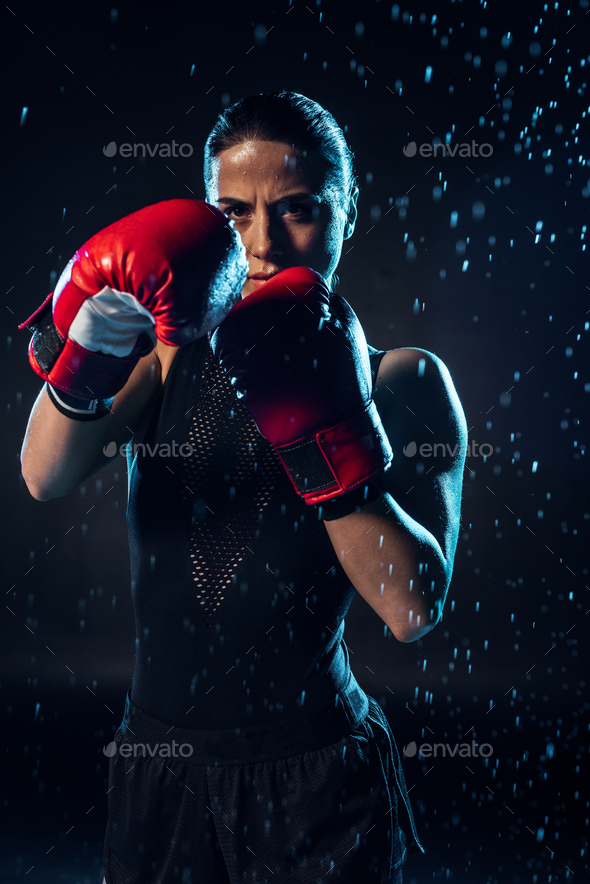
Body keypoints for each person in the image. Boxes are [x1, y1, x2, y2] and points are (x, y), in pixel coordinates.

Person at [20, 91, 467, 884]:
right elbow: (43, 476)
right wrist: (89, 343)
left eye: (299, 209)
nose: (264, 242)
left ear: (347, 212)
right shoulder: (166, 356)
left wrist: (325, 415)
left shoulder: (403, 380)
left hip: (316, 775)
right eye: (233, 213)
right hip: (160, 765)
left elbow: (412, 609)